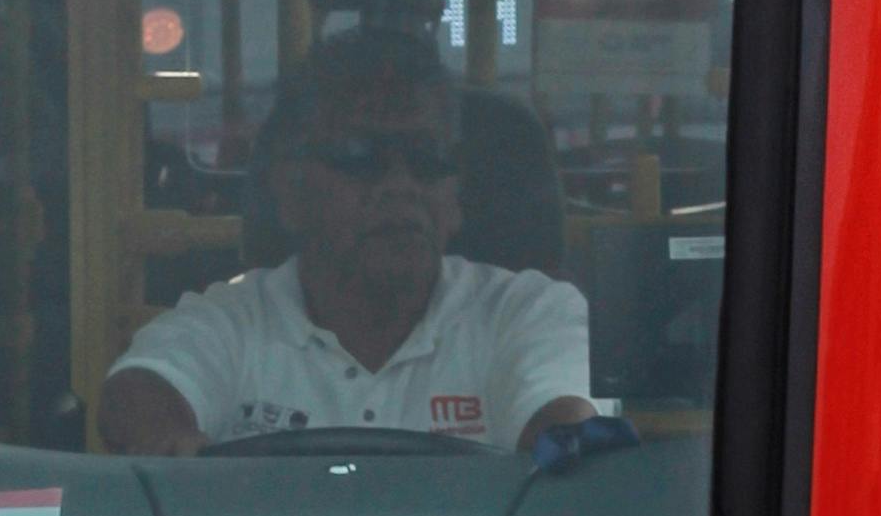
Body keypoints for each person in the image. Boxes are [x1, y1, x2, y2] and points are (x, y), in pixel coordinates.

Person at [96, 23, 598, 459]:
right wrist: (165, 439)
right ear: (290, 193)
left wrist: (567, 445)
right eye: (361, 156)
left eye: (427, 157)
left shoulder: (527, 312)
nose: (401, 184)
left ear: (455, 199)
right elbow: (140, 391)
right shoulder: (233, 318)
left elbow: (567, 418)